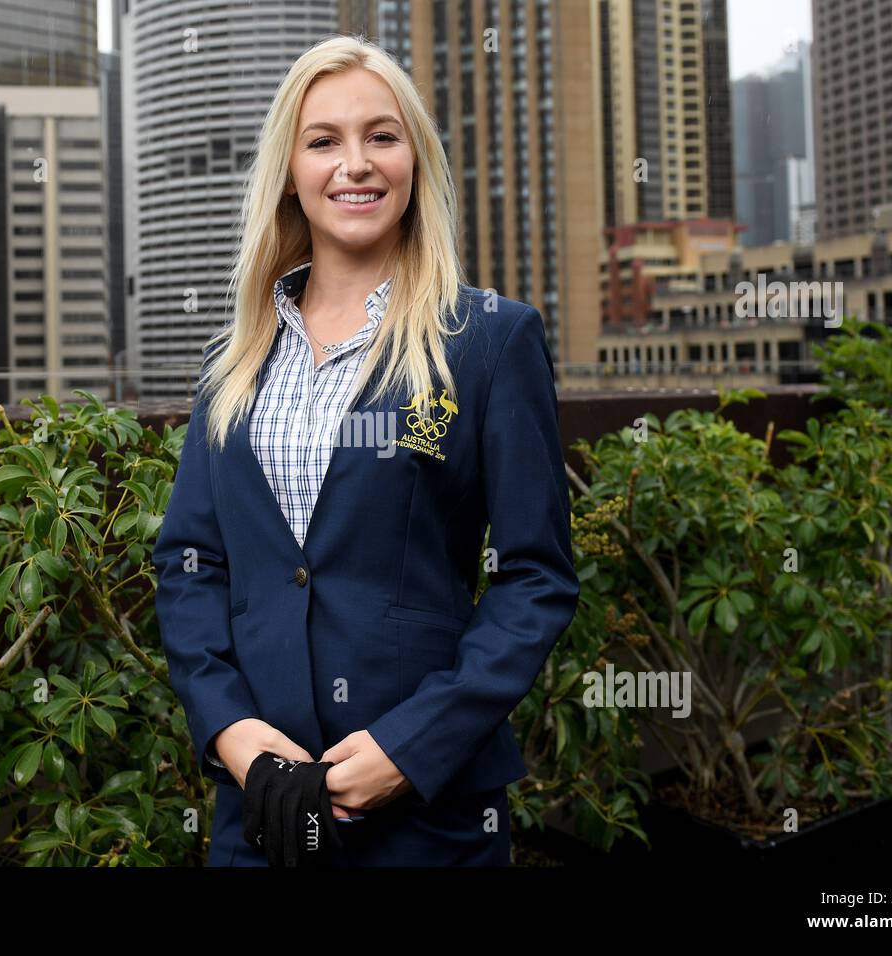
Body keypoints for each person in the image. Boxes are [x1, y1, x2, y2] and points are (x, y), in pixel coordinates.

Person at [152, 34, 580, 867]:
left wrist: (410, 750)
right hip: (261, 816)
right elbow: (189, 564)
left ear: (415, 159)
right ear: (289, 171)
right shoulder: (231, 361)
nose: (356, 163)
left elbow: (536, 578)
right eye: (324, 141)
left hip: (430, 816)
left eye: (381, 136)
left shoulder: (489, 341)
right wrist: (236, 739)